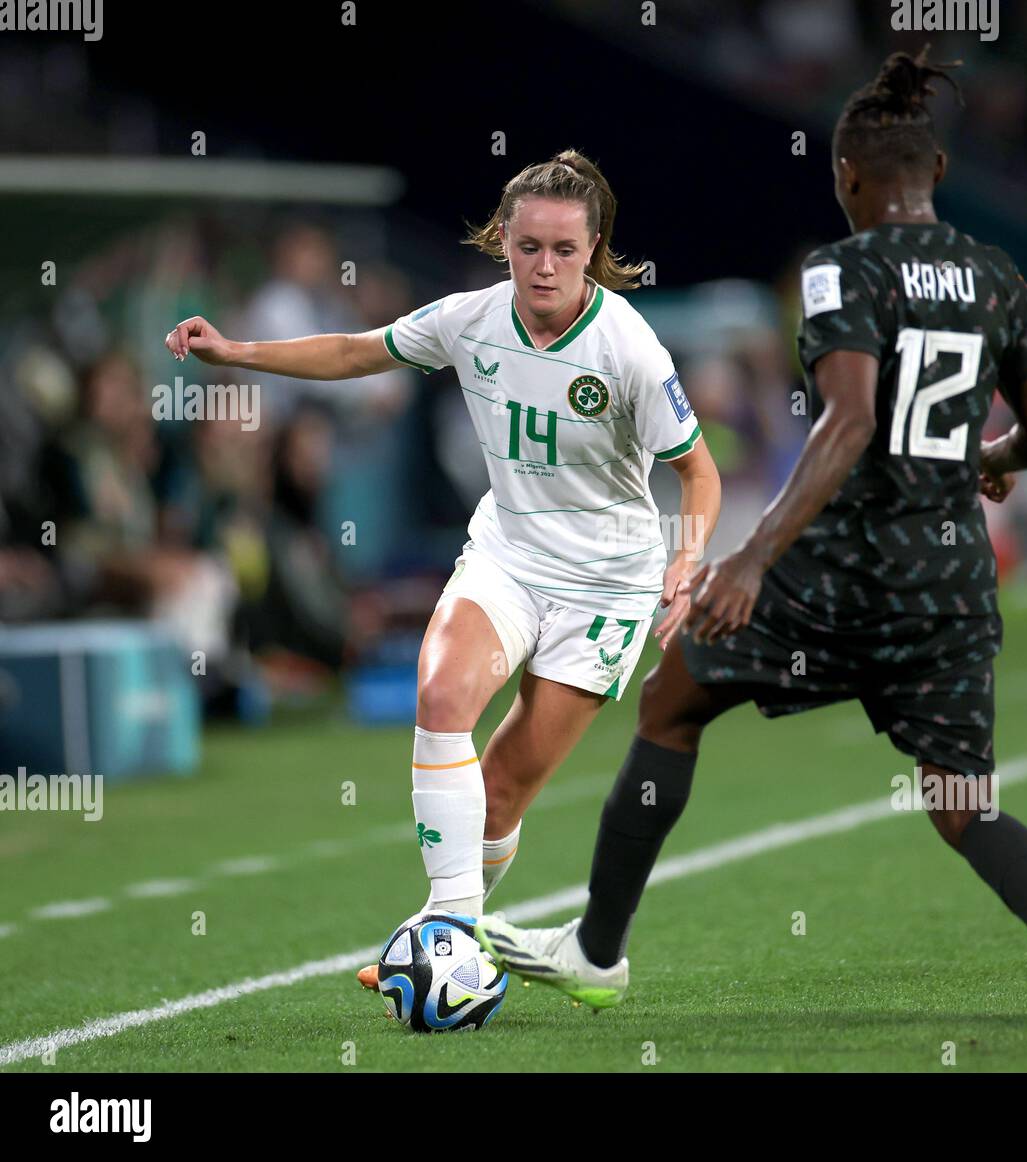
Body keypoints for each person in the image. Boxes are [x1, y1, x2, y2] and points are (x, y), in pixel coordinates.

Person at [476, 54, 1027, 1048]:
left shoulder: (841, 267)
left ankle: (599, 951)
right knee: (963, 803)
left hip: (841, 572)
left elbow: (846, 421)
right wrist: (987, 457)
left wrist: (747, 559)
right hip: (952, 583)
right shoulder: (998, 276)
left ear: (845, 176)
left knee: (672, 696)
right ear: (940, 169)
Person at [165, 150, 722, 995]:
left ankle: (443, 930)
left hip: (606, 586)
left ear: (593, 247)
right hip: (506, 554)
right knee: (439, 698)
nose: (545, 266)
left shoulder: (628, 348)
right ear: (503, 240)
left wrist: (687, 556)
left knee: (501, 794)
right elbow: (357, 354)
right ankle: (449, 932)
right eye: (528, 246)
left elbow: (700, 472)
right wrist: (236, 351)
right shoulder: (470, 318)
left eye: (564, 251)